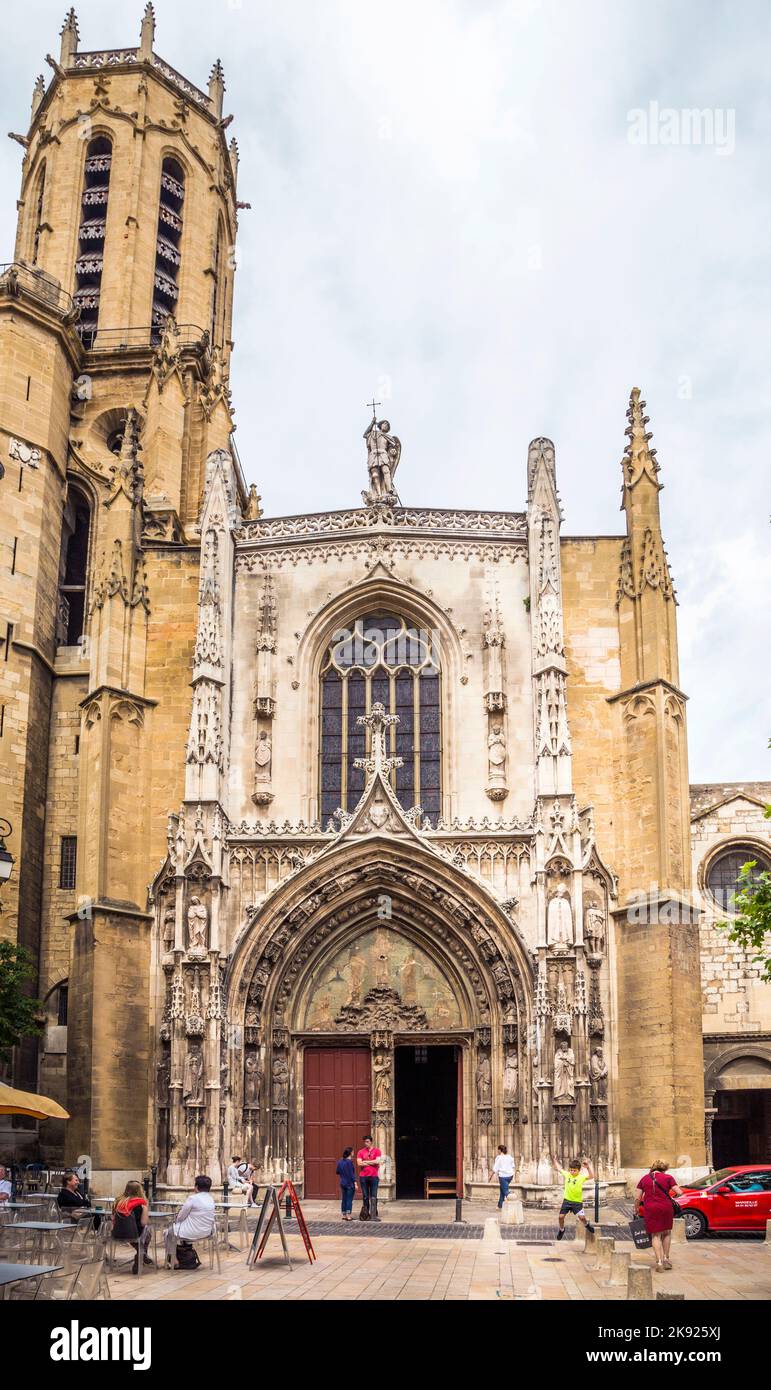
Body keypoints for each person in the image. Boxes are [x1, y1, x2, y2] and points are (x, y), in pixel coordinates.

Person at [634, 1160, 683, 1272]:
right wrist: (671, 1196)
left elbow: (637, 1198)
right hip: (666, 1207)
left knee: (655, 1235)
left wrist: (636, 1209)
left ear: (653, 1168)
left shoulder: (644, 1178)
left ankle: (659, 1263)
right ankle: (666, 1259)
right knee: (666, 1232)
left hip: (650, 1208)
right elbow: (679, 1192)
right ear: (664, 1169)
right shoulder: (668, 1178)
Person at [165, 1174, 216, 1269]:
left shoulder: (193, 1199)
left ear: (196, 1187)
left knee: (169, 1232)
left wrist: (178, 1218)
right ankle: (186, 1256)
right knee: (183, 1227)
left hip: (192, 1232)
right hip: (207, 1232)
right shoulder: (211, 1199)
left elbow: (180, 1217)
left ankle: (174, 1259)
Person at [112, 1179, 152, 1273]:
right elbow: (144, 1223)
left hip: (117, 1233)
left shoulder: (118, 1203)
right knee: (147, 1231)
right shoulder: (142, 1205)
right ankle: (141, 1253)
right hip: (134, 1234)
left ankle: (141, 1253)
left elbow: (112, 1217)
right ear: (140, 1190)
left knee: (134, 1232)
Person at [555, 1156, 595, 1240]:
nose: (572, 1172)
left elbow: (591, 1176)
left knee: (582, 1218)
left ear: (579, 1170)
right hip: (567, 1200)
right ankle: (562, 1230)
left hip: (577, 1202)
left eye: (574, 1170)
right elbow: (559, 1168)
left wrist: (588, 1168)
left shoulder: (581, 1177)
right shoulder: (567, 1174)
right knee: (561, 1217)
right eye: (571, 1170)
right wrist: (555, 1160)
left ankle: (586, 1225)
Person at [356, 1134, 382, 1222]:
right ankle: (365, 1214)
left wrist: (366, 1161)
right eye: (365, 1142)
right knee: (365, 1196)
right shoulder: (360, 1152)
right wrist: (372, 1162)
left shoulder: (377, 1151)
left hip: (374, 1177)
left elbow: (378, 1161)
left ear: (371, 1142)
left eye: (367, 1142)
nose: (366, 1143)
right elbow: (359, 1163)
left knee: (374, 1196)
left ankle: (374, 1215)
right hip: (363, 1177)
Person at [490, 1144, 515, 1209]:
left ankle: (513, 1200)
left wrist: (490, 1176)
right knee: (502, 1190)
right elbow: (513, 1166)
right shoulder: (510, 1157)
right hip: (510, 1176)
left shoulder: (499, 1158)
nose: (497, 1151)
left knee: (506, 1191)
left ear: (499, 1150)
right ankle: (500, 1205)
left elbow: (495, 1168)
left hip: (503, 1177)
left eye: (498, 1150)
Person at [336, 1146, 357, 1221]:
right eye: (353, 1152)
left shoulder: (340, 1161)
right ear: (350, 1153)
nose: (353, 1153)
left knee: (344, 1199)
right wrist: (355, 1183)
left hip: (342, 1182)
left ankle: (344, 1214)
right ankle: (348, 1215)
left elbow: (337, 1172)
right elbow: (352, 1174)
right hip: (349, 1183)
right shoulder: (349, 1162)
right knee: (349, 1199)